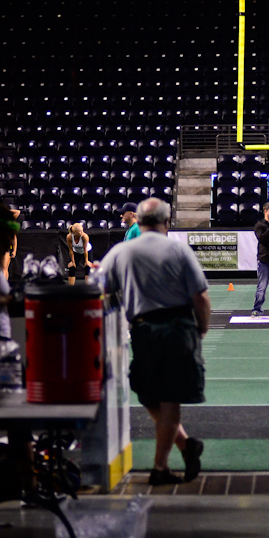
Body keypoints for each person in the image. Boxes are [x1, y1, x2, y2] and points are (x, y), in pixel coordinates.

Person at [97, 197, 211, 485]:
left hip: (143, 330)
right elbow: (201, 296)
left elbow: (99, 287)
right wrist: (201, 330)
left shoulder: (121, 251)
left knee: (148, 393)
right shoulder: (178, 249)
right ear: (166, 222)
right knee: (166, 396)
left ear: (140, 219)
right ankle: (185, 446)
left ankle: (160, 467)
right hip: (178, 328)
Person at [0, 204, 36, 498]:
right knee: (13, 420)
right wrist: (11, 299)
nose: (13, 242)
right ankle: (25, 488)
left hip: (2, 346)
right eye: (10, 236)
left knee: (17, 422)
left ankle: (27, 488)